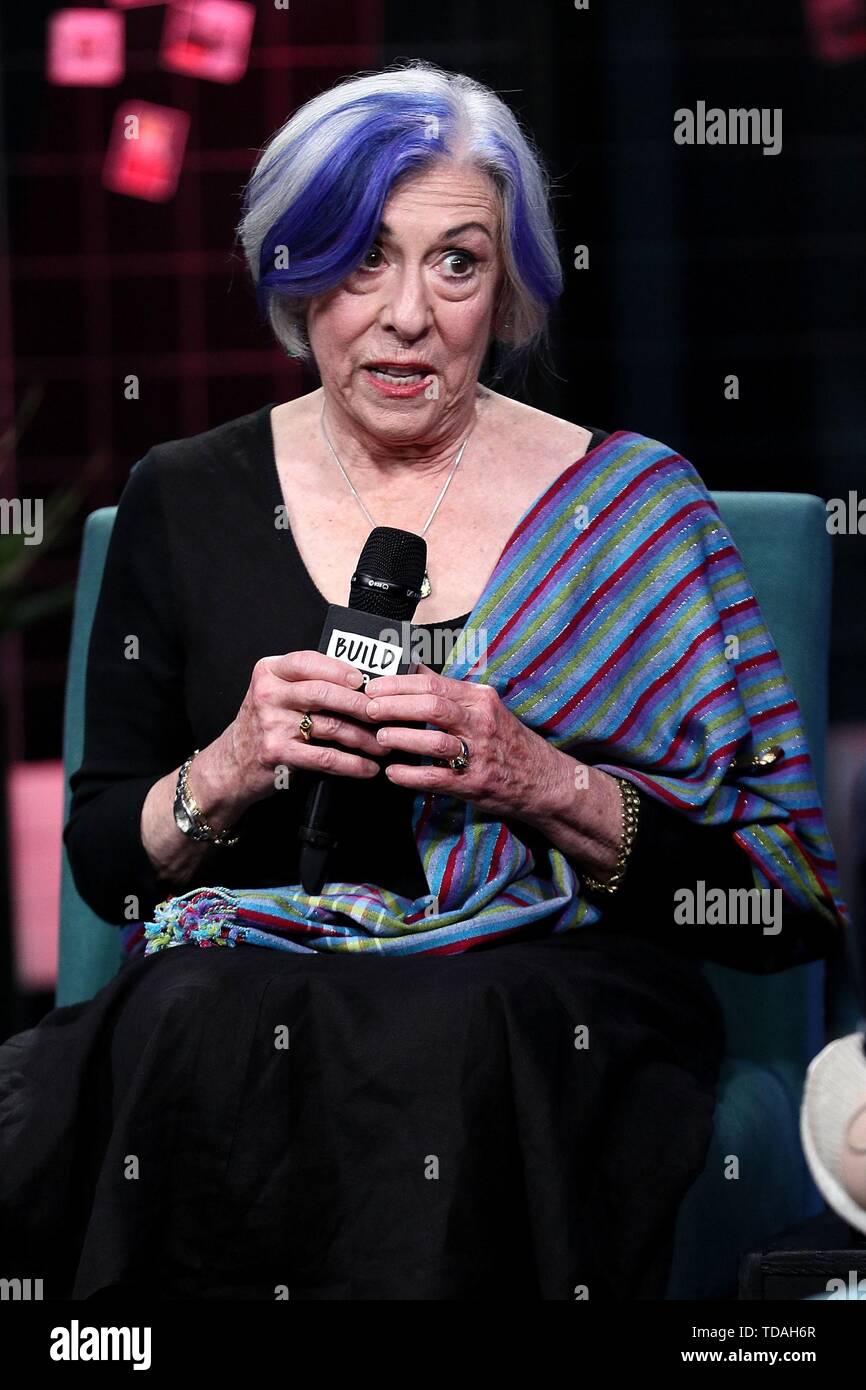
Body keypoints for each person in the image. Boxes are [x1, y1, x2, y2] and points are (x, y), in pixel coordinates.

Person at [0, 59, 847, 1301]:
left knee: (461, 1029)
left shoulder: (633, 513)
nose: (405, 313)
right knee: (192, 1015)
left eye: (453, 262)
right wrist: (229, 768)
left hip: (537, 1000)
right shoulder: (184, 497)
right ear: (293, 277)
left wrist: (543, 781)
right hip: (243, 982)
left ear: (505, 288)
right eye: (358, 259)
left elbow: (784, 912)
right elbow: (106, 863)